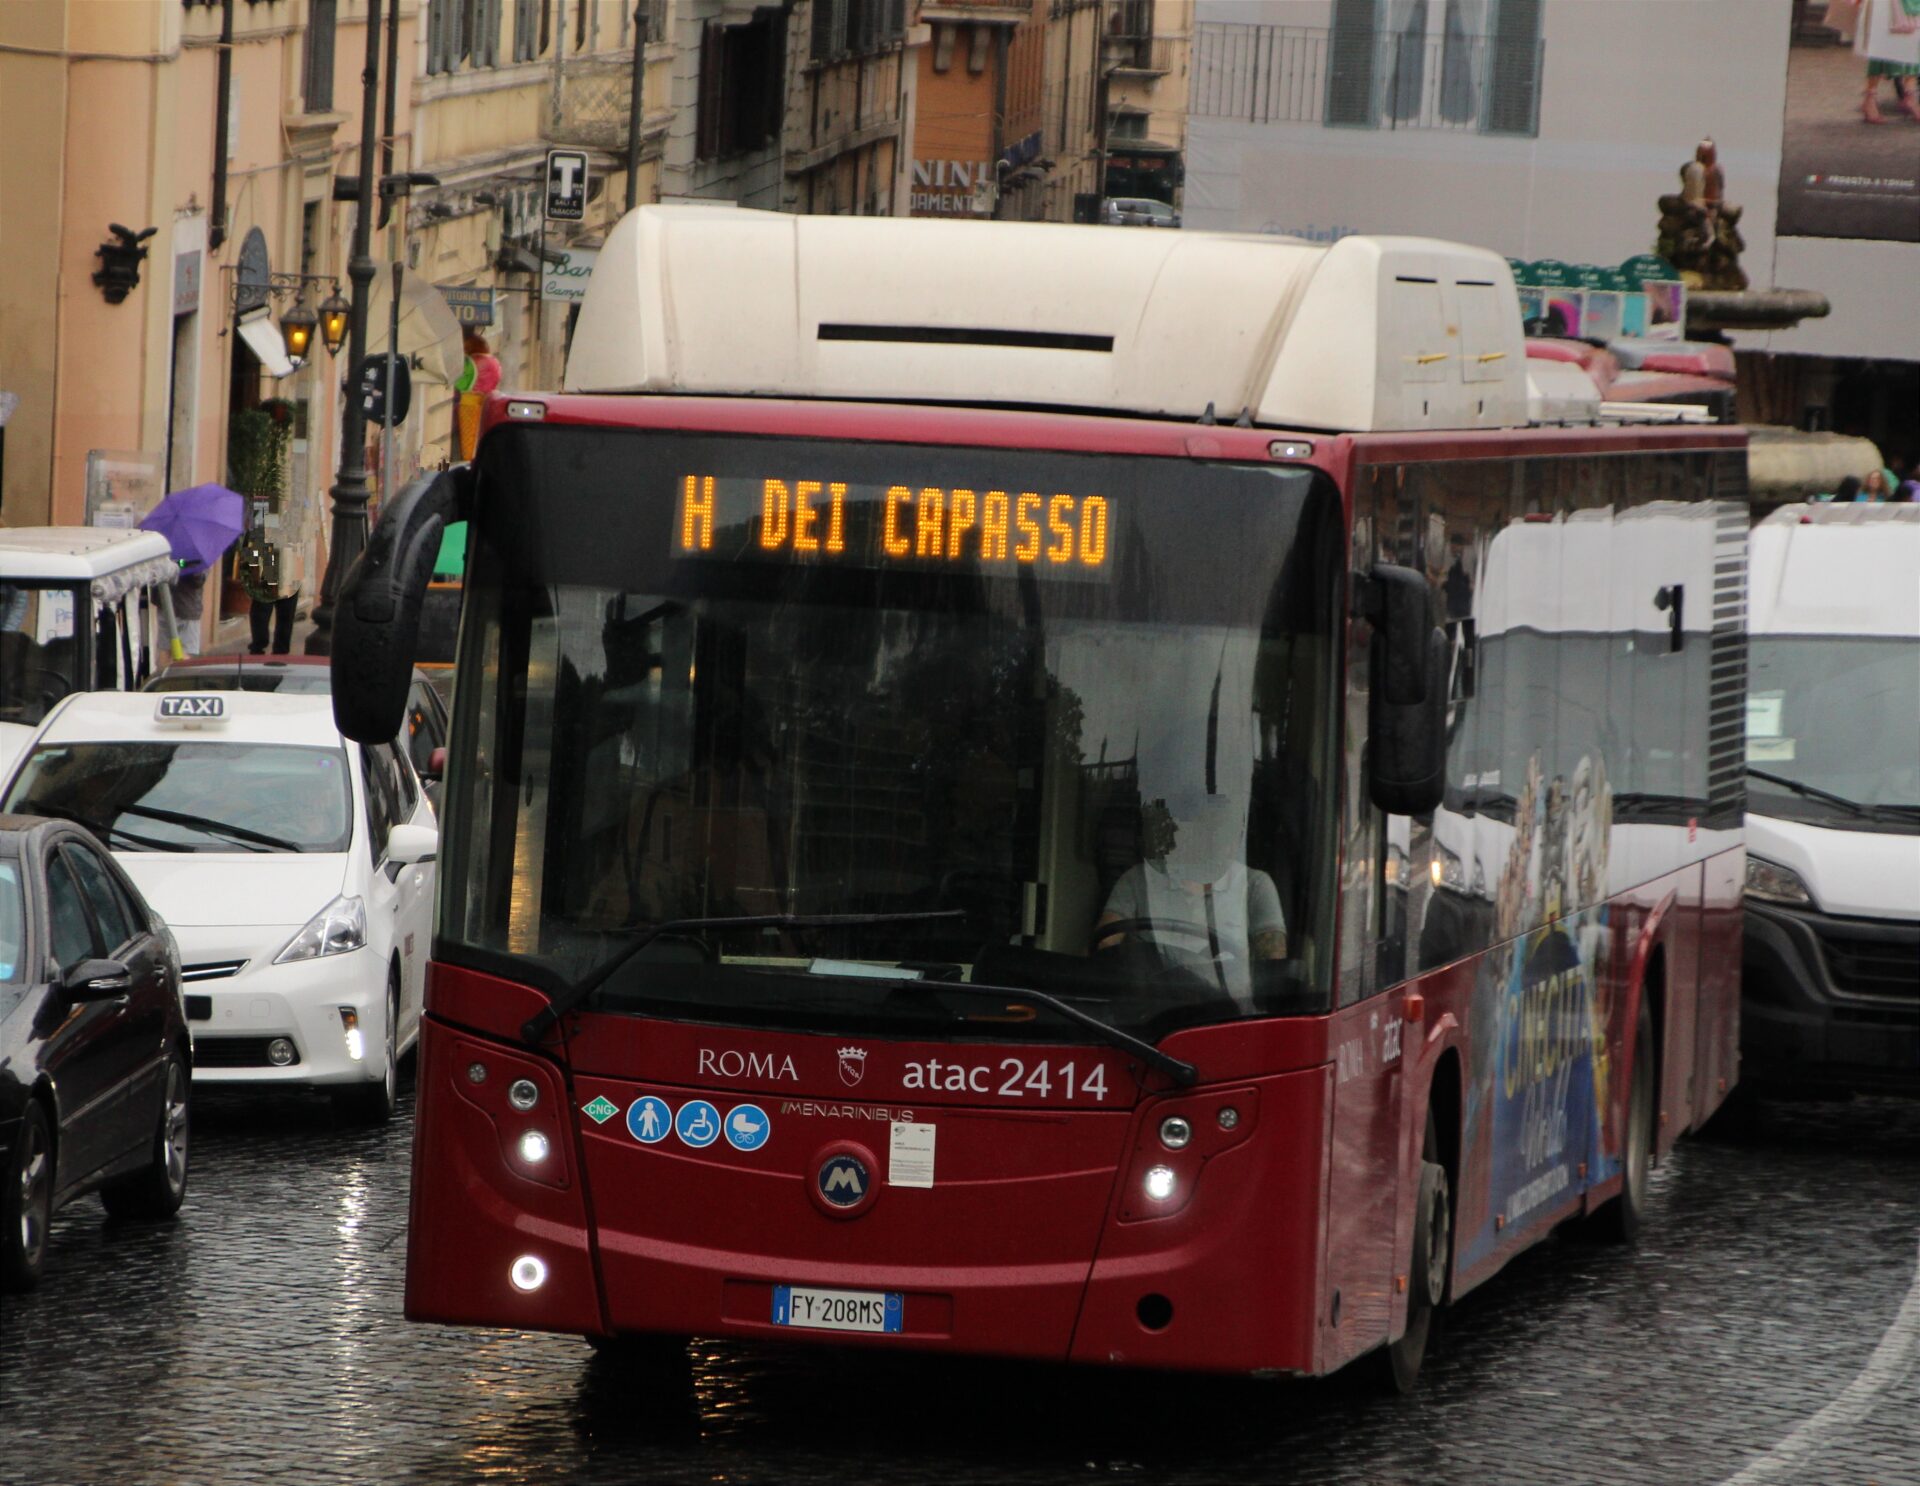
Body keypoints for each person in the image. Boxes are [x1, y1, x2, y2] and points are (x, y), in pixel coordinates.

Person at [1095, 791, 1286, 1005]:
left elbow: (1273, 970)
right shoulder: (1139, 880)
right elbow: (1106, 946)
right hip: (1147, 1017)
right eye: (1207, 831)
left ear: (1238, 839)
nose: (1217, 842)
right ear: (1184, 831)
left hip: (1230, 1018)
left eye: (1227, 834)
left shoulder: (1255, 885)